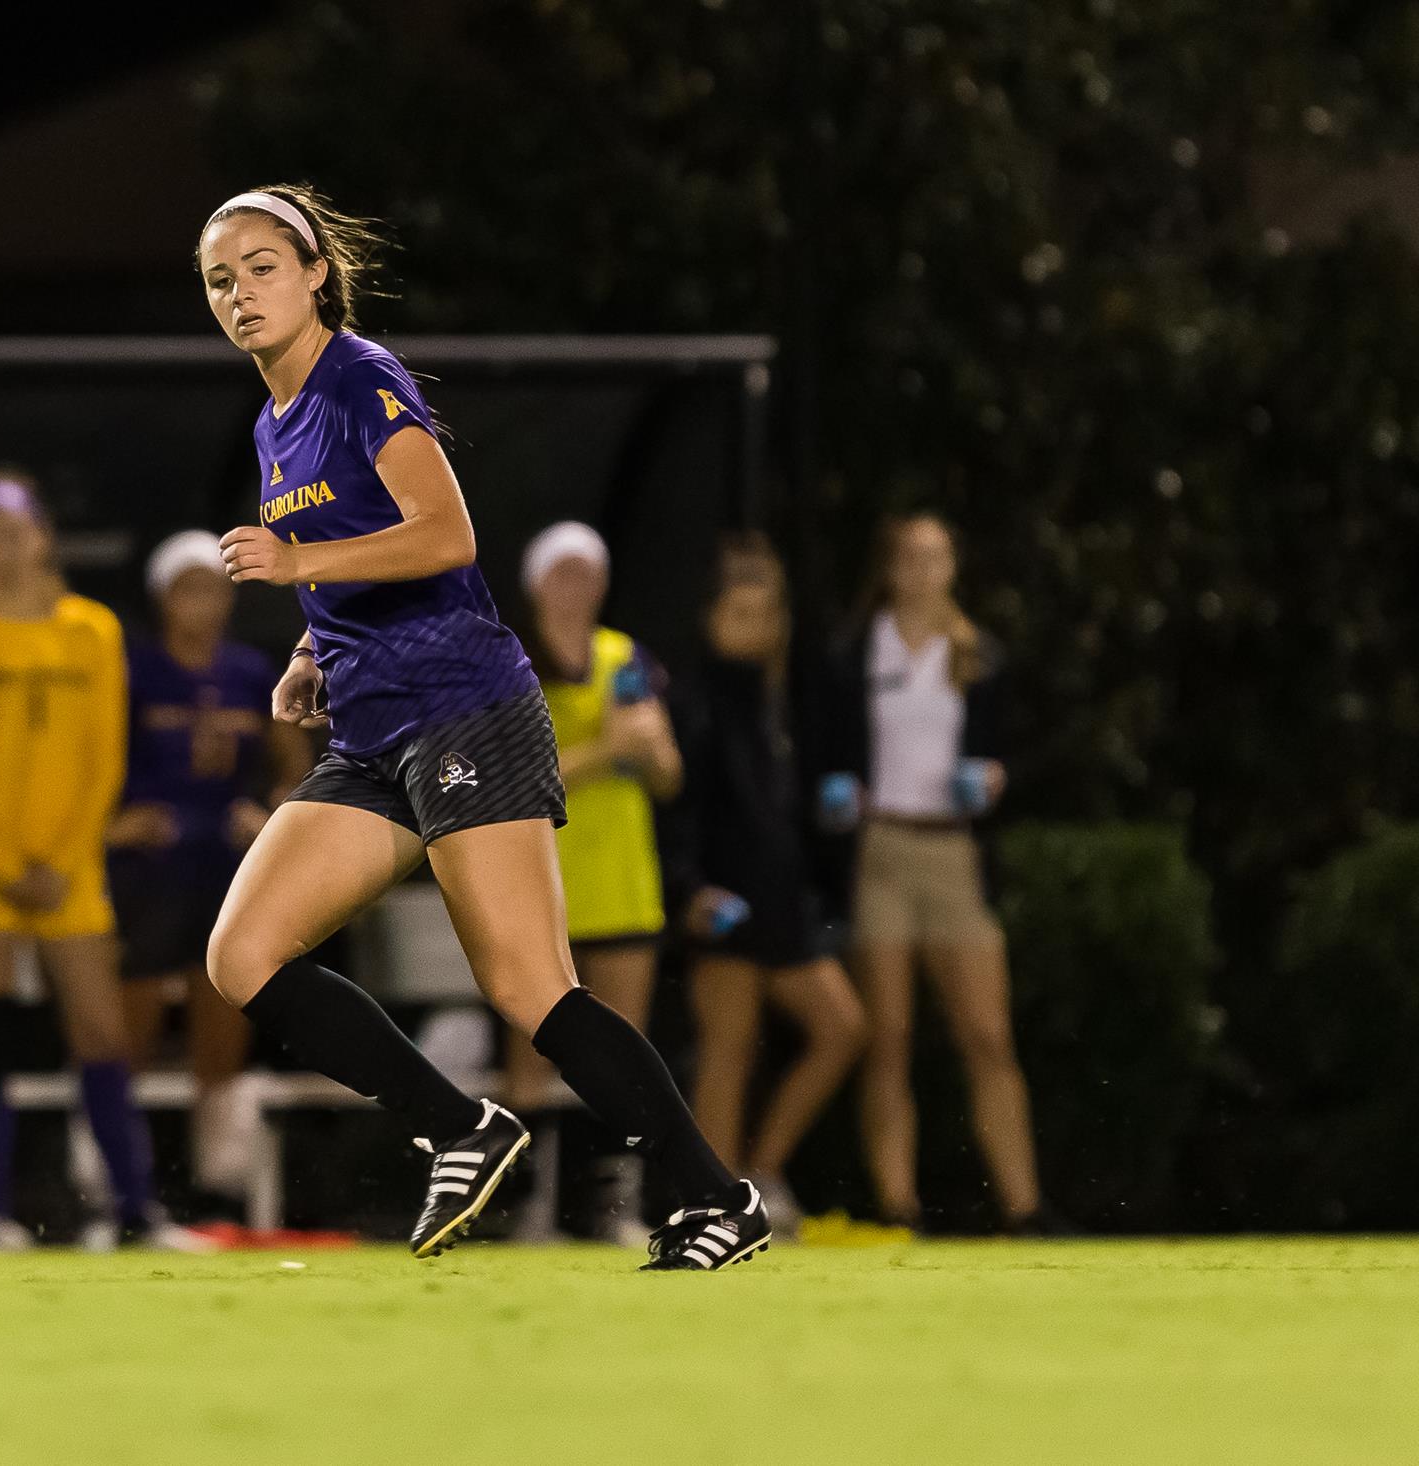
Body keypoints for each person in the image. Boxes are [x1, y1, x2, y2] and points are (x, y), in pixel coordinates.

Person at [198, 184, 764, 1269]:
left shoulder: (358, 375)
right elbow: (361, 555)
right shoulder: (275, 419)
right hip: (370, 729)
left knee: (526, 984)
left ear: (317, 272)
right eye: (221, 279)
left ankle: (714, 1197)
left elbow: (444, 533)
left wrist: (297, 563)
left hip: (462, 703)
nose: (241, 292)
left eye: (262, 266)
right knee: (243, 952)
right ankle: (458, 1126)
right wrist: (311, 650)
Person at [0, 476, 207, 1252]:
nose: (3, 547)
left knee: (102, 1036)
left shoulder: (93, 632)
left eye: (15, 529)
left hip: (71, 869)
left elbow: (104, 760)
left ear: (43, 536)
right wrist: (6, 862)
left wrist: (61, 858)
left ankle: (135, 1211)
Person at [817, 512, 1046, 1232]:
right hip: (881, 849)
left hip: (953, 852)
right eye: (910, 558)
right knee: (888, 1037)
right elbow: (825, 753)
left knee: (987, 1034)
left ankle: (1024, 1207)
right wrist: (834, 793)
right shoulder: (856, 651)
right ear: (888, 568)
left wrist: (999, 780)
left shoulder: (978, 653)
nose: (923, 571)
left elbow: (1020, 750)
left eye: (936, 557)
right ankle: (898, 1206)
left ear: (952, 566)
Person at [109, 531, 310, 1216]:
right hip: (148, 866)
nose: (202, 604)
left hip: (226, 862)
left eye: (214, 589)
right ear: (163, 598)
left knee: (223, 1013)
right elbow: (94, 761)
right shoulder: (131, 670)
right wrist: (117, 824)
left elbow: (293, 763)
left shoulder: (252, 673)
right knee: (128, 1022)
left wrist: (272, 813)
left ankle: (215, 1188)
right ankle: (112, 1184)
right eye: (187, 588)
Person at [678, 535, 867, 1238]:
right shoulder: (697, 701)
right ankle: (711, 1200)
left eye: (766, 612)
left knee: (844, 1028)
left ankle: (760, 1170)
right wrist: (690, 888)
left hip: (781, 902)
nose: (755, 627)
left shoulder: (784, 697)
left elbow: (789, 804)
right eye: (740, 613)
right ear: (712, 618)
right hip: (724, 900)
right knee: (729, 1049)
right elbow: (680, 807)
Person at [502, 521, 682, 1245]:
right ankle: (527, 1209)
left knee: (623, 1051)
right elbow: (520, 777)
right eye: (561, 573)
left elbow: (668, 777)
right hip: (537, 878)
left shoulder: (625, 659)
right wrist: (608, 747)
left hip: (620, 880)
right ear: (537, 582)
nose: (575, 588)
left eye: (587, 574)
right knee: (535, 1050)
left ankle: (613, 1208)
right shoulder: (510, 662)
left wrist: (646, 748)